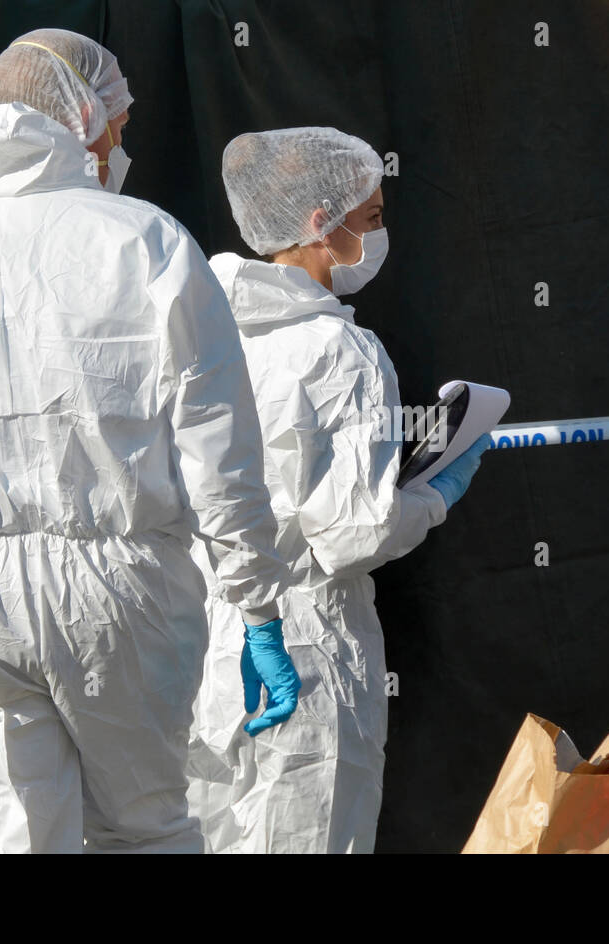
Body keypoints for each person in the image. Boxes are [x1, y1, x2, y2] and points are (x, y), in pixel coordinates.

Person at [0, 28, 298, 854]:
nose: (123, 138)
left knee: (0, 843)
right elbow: (219, 443)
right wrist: (255, 602)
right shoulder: (143, 239)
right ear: (85, 116)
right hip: (125, 588)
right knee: (145, 832)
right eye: (118, 119)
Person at [186, 127, 492, 853]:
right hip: (305, 643)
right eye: (373, 217)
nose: (381, 235)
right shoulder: (340, 348)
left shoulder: (208, 334)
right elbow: (353, 531)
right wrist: (437, 492)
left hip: (204, 647)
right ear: (322, 223)